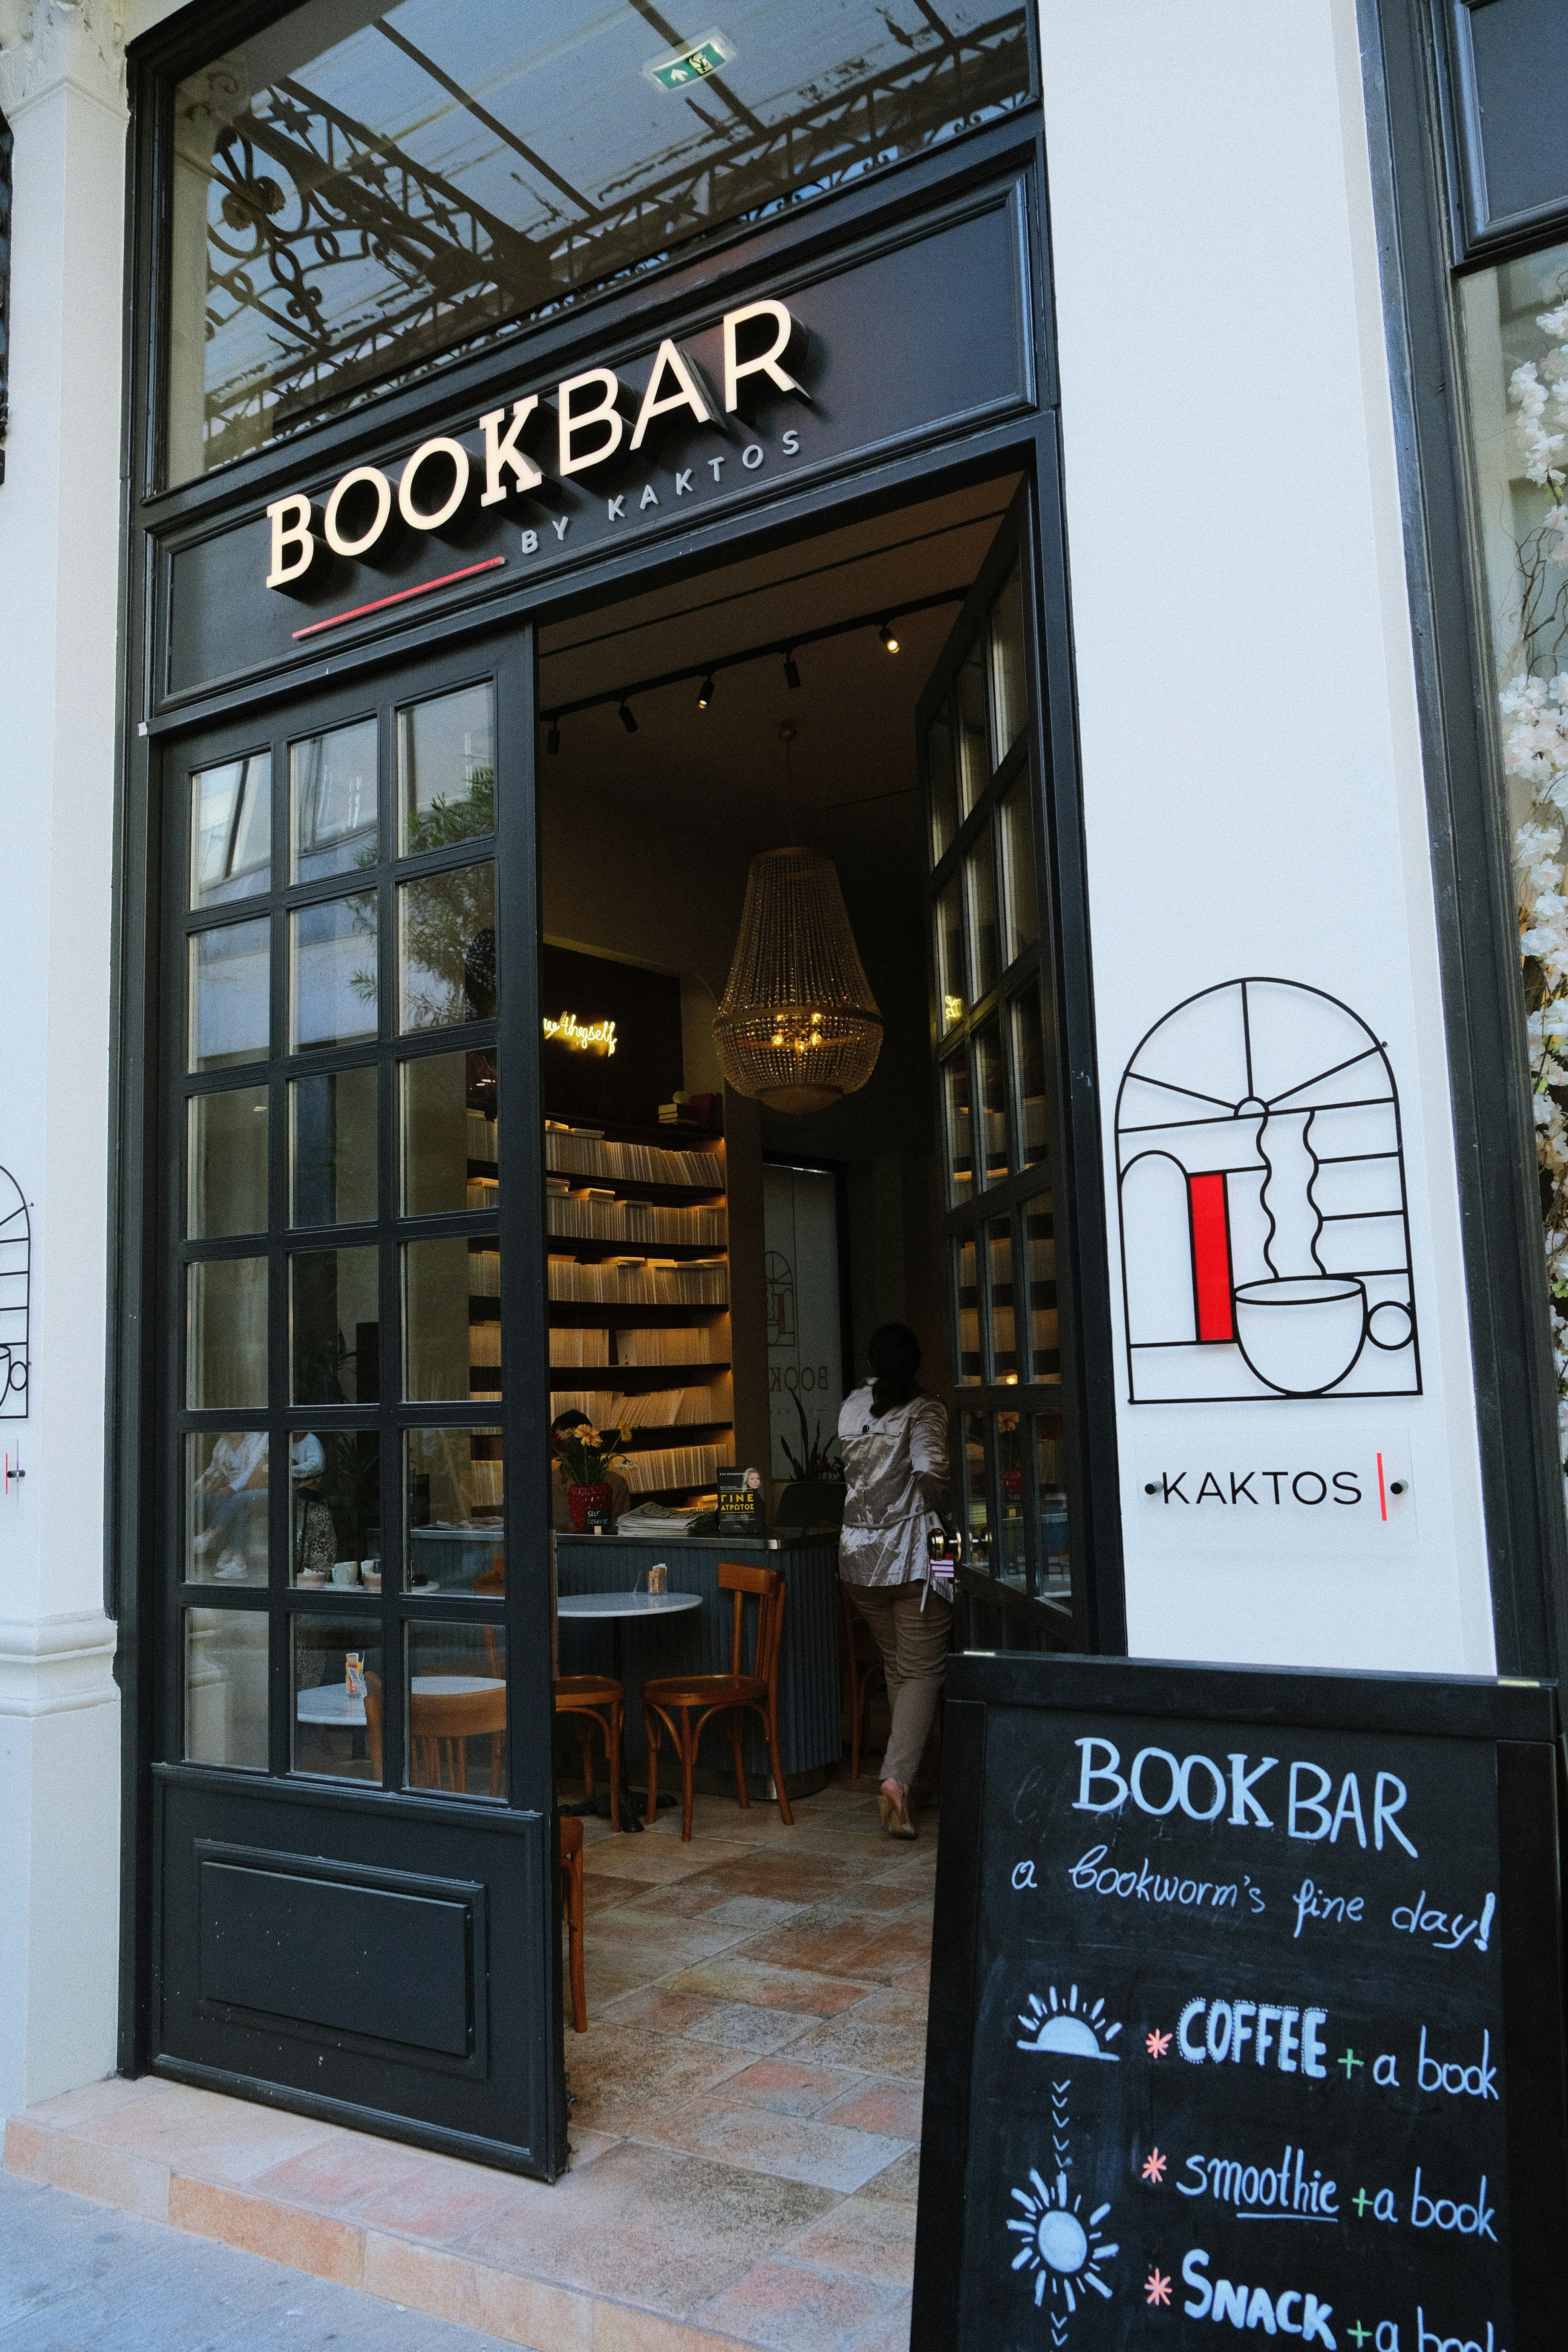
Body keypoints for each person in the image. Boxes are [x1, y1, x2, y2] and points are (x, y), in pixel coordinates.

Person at [837, 1323, 952, 1838]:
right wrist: (949, 1512)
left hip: (856, 1560)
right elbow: (932, 1473)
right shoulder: (926, 1410)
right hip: (919, 1554)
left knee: (899, 1668)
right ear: (918, 1361)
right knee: (924, 1669)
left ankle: (922, 1780)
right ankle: (897, 1779)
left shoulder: (852, 1406)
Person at [549, 1410, 632, 1531]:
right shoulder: (546, 1486)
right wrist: (566, 1530)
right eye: (562, 1446)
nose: (569, 1452)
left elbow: (621, 1533)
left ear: (589, 1443)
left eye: (575, 1444)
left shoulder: (616, 1484)